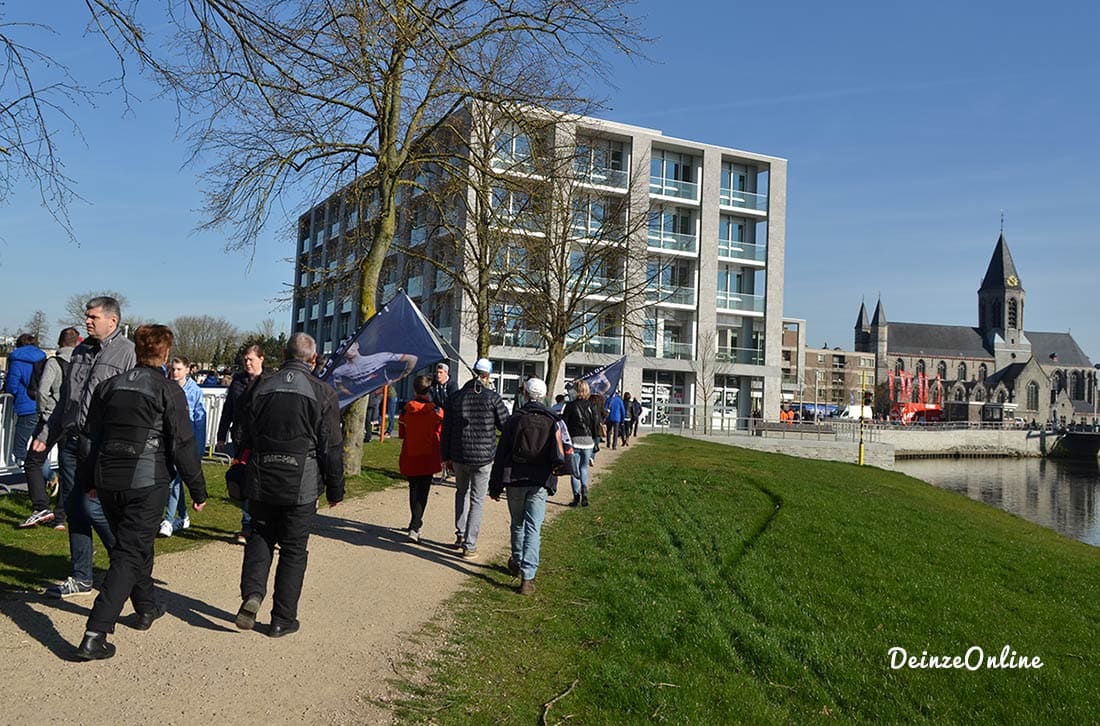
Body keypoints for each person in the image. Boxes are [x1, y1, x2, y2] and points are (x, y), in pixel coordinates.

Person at [75, 324, 208, 660]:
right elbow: (183, 443)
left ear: (137, 349)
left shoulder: (109, 386)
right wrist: (198, 489)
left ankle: (146, 607)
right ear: (166, 353)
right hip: (146, 481)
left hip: (108, 479)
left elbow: (89, 438)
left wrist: (88, 480)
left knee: (135, 546)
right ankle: (95, 632)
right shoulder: (168, 389)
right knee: (129, 553)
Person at [235, 333, 344, 638]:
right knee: (294, 549)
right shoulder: (322, 391)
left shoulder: (261, 386)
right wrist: (335, 488)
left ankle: (252, 593)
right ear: (313, 359)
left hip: (263, 474)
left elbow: (242, 432)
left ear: (284, 355)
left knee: (260, 536)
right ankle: (282, 618)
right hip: (301, 480)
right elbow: (331, 447)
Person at [32, 297, 134, 598]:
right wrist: (47, 432)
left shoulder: (127, 353)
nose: (87, 321)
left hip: (103, 444)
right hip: (72, 439)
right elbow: (66, 398)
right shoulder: (80, 351)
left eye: (93, 317)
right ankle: (81, 576)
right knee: (74, 508)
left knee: (95, 507)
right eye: (86, 316)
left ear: (112, 321)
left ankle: (126, 565)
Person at [489, 377, 564, 595]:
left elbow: (501, 454)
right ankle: (528, 577)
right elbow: (557, 455)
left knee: (517, 523)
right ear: (545, 395)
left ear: (524, 394)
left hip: (515, 478)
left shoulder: (514, 420)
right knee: (534, 527)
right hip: (539, 481)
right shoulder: (552, 420)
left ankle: (517, 560)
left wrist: (495, 485)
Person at [441, 358, 509, 559]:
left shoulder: (455, 397)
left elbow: (446, 430)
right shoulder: (492, 397)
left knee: (461, 493)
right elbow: (505, 425)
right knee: (477, 500)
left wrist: (445, 456)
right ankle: (469, 544)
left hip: (459, 454)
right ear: (487, 376)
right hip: (483, 456)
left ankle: (460, 534)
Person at [20, 327, 80, 529]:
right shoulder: (80, 363)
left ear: (59, 341)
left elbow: (42, 390)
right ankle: (61, 515)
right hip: (71, 419)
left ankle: (41, 506)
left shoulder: (54, 362)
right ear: (76, 343)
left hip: (52, 418)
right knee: (67, 466)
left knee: (33, 462)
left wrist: (42, 412)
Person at [216, 344, 266, 544]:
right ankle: (246, 526)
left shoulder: (268, 381)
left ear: (261, 359)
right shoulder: (238, 381)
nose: (247, 363)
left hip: (260, 440)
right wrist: (221, 436)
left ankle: (262, 525)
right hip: (240, 438)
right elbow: (228, 410)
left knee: (259, 482)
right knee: (243, 480)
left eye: (251, 359)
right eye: (245, 359)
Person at [159, 355, 207, 537]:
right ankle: (183, 515)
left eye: (179, 369)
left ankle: (168, 520)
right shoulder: (167, 388)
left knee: (175, 480)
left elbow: (200, 421)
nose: (175, 373)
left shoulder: (195, 391)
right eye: (173, 369)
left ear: (187, 370)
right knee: (174, 479)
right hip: (170, 440)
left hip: (186, 442)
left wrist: (199, 448)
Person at [398, 375, 443, 542]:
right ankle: (415, 525)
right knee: (423, 492)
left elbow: (402, 433)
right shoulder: (437, 412)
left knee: (413, 489)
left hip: (411, 453)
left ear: (414, 390)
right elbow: (440, 431)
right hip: (428, 454)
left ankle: (415, 522)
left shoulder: (406, 410)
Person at [4, 333, 46, 467]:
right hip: (41, 404)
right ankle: (45, 474)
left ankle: (46, 474)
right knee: (38, 446)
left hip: (26, 405)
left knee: (19, 449)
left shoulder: (16, 359)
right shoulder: (42, 357)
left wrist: (14, 392)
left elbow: (12, 385)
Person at [562, 379, 601, 507]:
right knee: (584, 468)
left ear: (575, 391)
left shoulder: (570, 406)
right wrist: (595, 440)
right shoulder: (592, 406)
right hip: (588, 441)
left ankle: (576, 497)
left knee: (574, 471)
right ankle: (584, 492)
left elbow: (564, 424)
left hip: (574, 440)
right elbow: (596, 424)